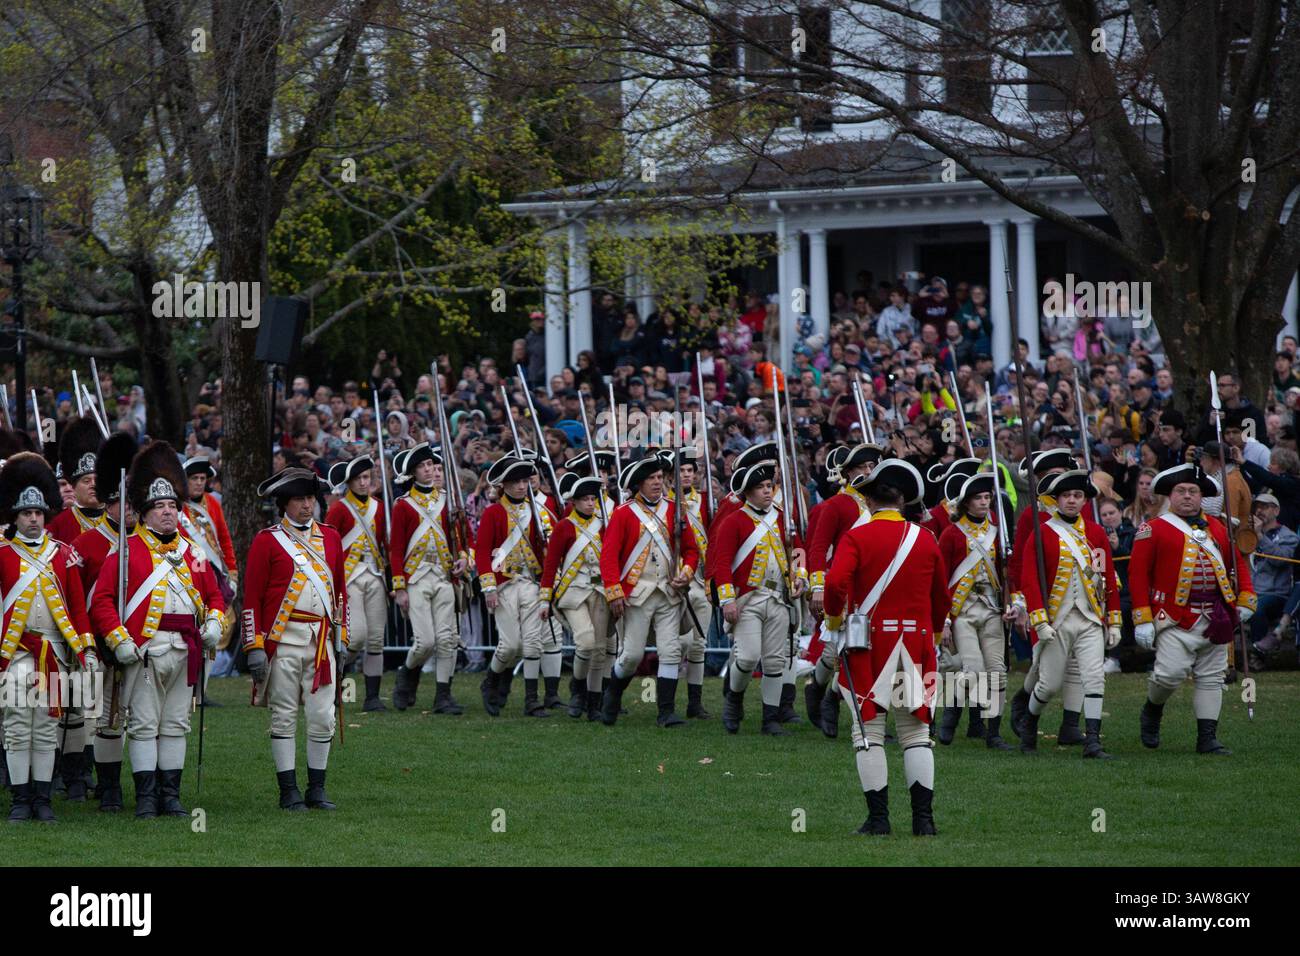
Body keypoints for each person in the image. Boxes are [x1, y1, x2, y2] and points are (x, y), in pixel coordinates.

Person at [91, 442, 225, 818]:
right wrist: (118, 639)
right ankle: (147, 798)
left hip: (186, 649)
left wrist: (214, 622)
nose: (167, 513)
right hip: (146, 650)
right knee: (145, 724)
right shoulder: (125, 551)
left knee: (176, 724)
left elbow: (215, 597)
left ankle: (170, 797)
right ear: (145, 514)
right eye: (159, 507)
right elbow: (102, 601)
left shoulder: (193, 554)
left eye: (172, 507)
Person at [824, 459, 949, 836]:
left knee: (868, 733)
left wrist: (833, 621)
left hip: (871, 645)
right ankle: (923, 821)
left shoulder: (857, 537)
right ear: (902, 500)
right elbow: (941, 598)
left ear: (870, 501)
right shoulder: (925, 538)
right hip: (916, 643)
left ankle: (879, 820)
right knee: (916, 734)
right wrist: (935, 637)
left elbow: (834, 585)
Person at [0, 453, 98, 823]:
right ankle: (20, 799)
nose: (33, 519)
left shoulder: (63, 555)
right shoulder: (3, 553)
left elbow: (76, 607)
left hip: (54, 651)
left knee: (45, 726)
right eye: (27, 514)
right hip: (15, 652)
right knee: (16, 724)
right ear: (16, 516)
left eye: (39, 513)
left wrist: (86, 647)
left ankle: (42, 798)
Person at [1132, 463, 1256, 755]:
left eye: (1193, 491)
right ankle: (1153, 708)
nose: (1187, 496)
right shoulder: (1153, 529)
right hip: (1175, 616)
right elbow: (1138, 576)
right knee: (1169, 674)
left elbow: (1236, 564)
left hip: (1216, 614)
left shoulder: (1218, 528)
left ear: (1201, 496)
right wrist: (1142, 619)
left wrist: (1247, 596)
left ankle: (1207, 737)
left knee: (1212, 677)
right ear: (1170, 496)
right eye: (1181, 491)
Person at [1017, 470, 1121, 759]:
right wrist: (1039, 619)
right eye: (1066, 496)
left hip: (1089, 618)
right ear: (1057, 499)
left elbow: (1105, 576)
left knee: (1094, 678)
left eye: (1077, 496)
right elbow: (1030, 580)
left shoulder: (1096, 533)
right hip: (1056, 619)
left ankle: (1093, 741)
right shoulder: (1044, 533)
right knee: (1048, 684)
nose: (1072, 501)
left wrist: (1113, 619)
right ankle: (1030, 722)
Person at [599, 454, 699, 727]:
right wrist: (614, 591)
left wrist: (686, 573)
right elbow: (608, 557)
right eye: (651, 479)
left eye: (660, 478)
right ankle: (612, 696)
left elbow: (691, 550)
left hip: (668, 592)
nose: (658, 483)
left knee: (670, 651)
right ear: (638, 484)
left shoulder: (674, 509)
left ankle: (665, 712)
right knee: (631, 655)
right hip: (636, 594)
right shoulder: (623, 514)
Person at [67, 432, 138, 810]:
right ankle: (78, 777)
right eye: (121, 503)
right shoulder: (87, 544)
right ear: (111, 503)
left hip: (131, 643)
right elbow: (74, 597)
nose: (129, 511)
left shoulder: (142, 544)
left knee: (117, 718)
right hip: (93, 643)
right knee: (85, 711)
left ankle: (111, 787)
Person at [711, 462, 807, 735]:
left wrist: (800, 576)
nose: (767, 492)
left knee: (775, 661)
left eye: (768, 486)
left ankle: (770, 718)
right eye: (760, 488)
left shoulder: (781, 518)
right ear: (748, 492)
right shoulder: (734, 521)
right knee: (748, 657)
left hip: (778, 596)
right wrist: (727, 600)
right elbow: (722, 563)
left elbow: (798, 550)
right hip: (748, 600)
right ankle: (734, 698)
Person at [804, 443, 882, 737]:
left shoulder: (881, 503)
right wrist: (818, 587)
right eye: (862, 467)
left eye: (871, 466)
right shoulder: (836, 505)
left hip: (872, 585)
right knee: (838, 650)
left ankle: (829, 696)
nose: (867, 471)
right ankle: (826, 695)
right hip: (844, 586)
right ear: (848, 473)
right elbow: (818, 549)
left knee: (854, 651)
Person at [475, 453, 555, 717]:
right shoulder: (494, 512)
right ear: (504, 485)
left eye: (525, 481)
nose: (522, 486)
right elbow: (483, 552)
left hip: (531, 583)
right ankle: (492, 679)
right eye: (516, 482)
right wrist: (488, 588)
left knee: (533, 643)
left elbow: (548, 553)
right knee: (509, 645)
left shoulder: (538, 512)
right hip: (504, 585)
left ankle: (532, 700)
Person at [938, 473, 1013, 750]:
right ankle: (950, 716)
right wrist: (944, 620)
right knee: (973, 670)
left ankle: (993, 732)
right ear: (966, 503)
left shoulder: (998, 532)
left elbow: (1008, 573)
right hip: (963, 610)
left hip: (992, 607)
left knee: (998, 672)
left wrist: (1011, 603)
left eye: (987, 498)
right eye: (978, 498)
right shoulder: (951, 534)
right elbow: (941, 578)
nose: (984, 503)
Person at [324, 454, 391, 712]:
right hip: (349, 577)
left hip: (375, 574)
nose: (364, 483)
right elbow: (330, 545)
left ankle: (372, 697)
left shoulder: (379, 507)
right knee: (356, 636)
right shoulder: (339, 508)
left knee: (375, 639)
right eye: (359, 479)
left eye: (367, 477)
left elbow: (387, 543)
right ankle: (337, 674)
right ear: (349, 482)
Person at [540, 474, 609, 721]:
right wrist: (545, 599)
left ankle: (594, 702)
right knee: (586, 642)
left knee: (600, 651)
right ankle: (578, 688)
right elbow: (550, 565)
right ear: (574, 501)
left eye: (593, 498)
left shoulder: (604, 524)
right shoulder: (564, 527)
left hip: (600, 592)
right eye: (585, 499)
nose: (591, 503)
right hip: (573, 592)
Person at [667, 448, 714, 719]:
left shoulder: (706, 503)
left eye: (689, 471)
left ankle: (695, 703)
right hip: (678, 580)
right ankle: (668, 700)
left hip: (701, 581)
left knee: (699, 644)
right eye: (681, 471)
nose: (686, 475)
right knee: (677, 644)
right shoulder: (664, 505)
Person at [47, 417, 106, 543]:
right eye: (86, 481)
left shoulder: (117, 517)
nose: (93, 485)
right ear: (74, 486)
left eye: (97, 479)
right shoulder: (58, 524)